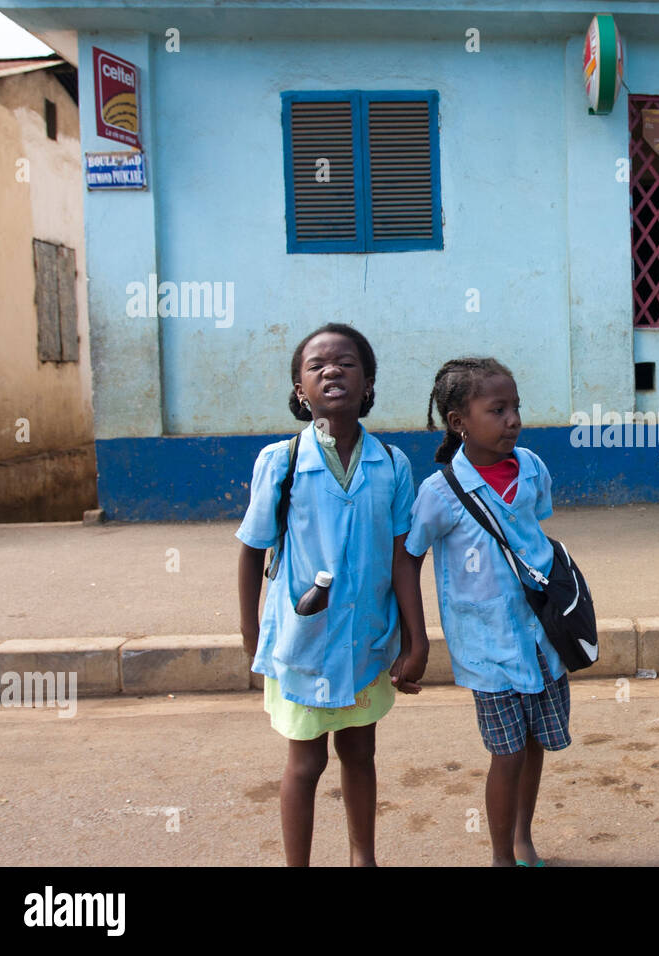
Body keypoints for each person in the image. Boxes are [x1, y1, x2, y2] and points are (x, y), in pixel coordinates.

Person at [237, 323, 428, 866]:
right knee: (305, 763)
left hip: (366, 638)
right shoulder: (282, 460)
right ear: (300, 390)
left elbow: (402, 560)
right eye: (315, 366)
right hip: (303, 643)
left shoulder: (392, 464)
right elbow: (252, 550)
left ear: (368, 383)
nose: (331, 371)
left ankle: (361, 858)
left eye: (345, 362)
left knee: (360, 751)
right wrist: (253, 637)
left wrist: (416, 640)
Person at [405, 357, 569, 867]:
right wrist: (415, 639)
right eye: (497, 410)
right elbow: (408, 556)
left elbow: (534, 532)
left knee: (537, 743)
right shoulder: (440, 493)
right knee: (508, 752)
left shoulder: (532, 468)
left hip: (543, 636)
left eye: (516, 407)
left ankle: (523, 837)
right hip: (488, 646)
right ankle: (501, 855)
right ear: (458, 421)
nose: (513, 419)